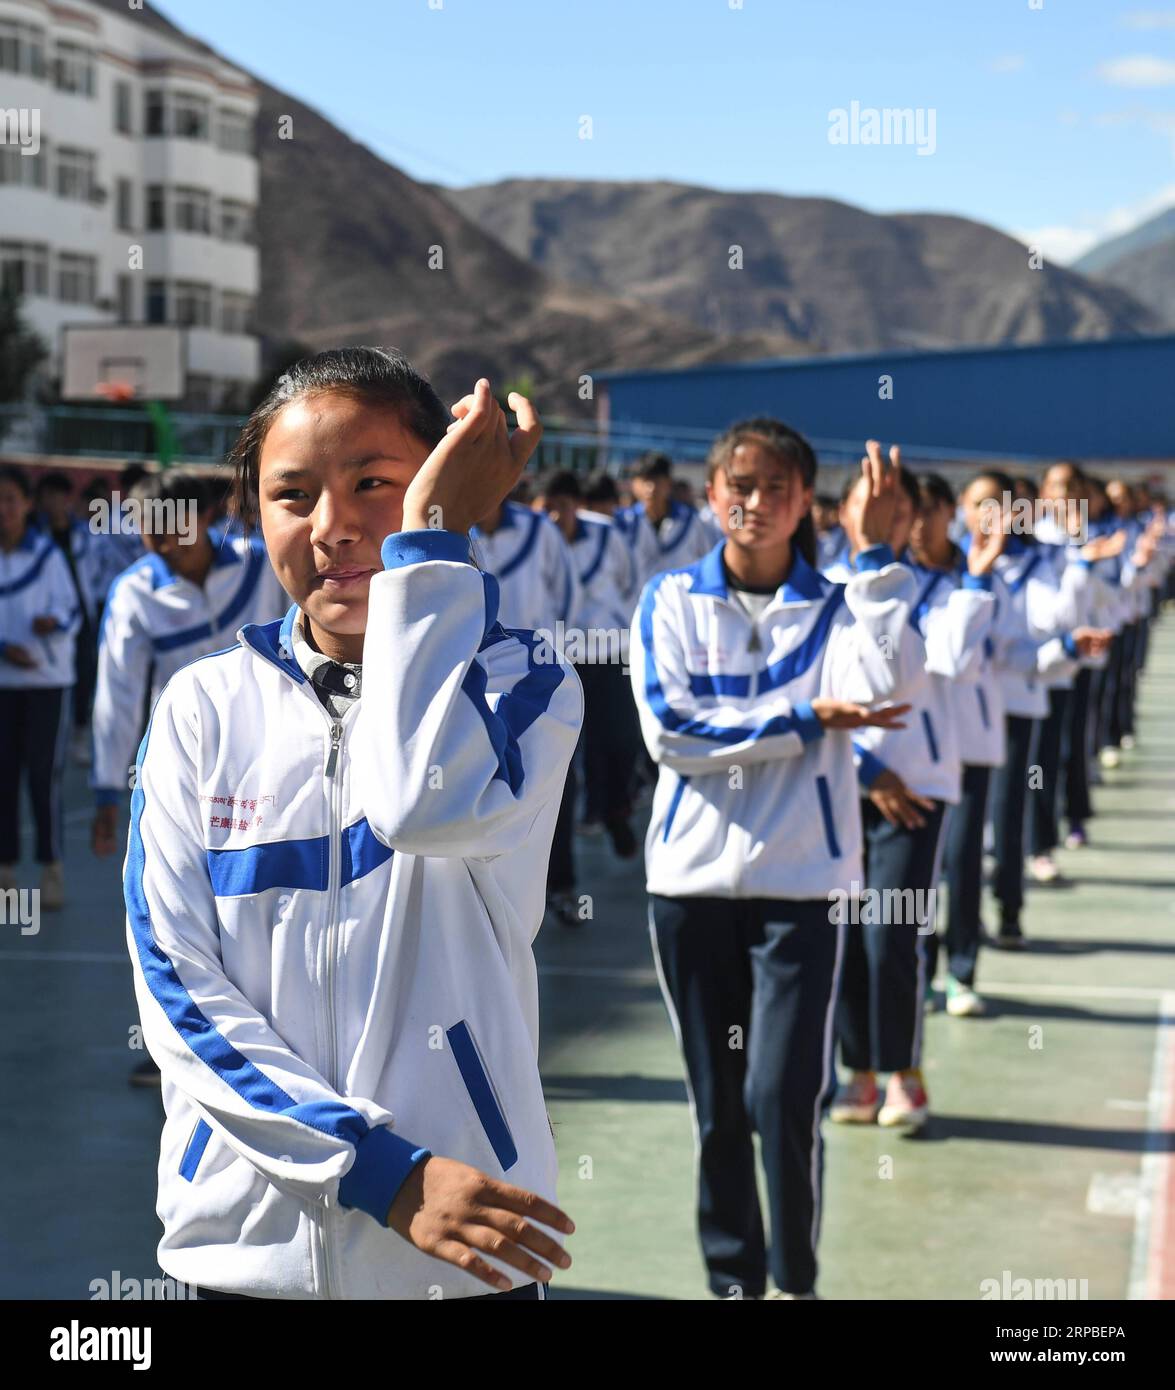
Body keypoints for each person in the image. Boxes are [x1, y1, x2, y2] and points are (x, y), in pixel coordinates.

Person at [124, 349, 580, 1300]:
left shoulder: (523, 684)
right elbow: (176, 987)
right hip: (242, 1258)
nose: (332, 527)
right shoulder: (202, 708)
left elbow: (420, 802)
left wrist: (433, 547)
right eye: (291, 495)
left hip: (459, 1256)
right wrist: (377, 1170)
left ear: (436, 489)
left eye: (375, 483)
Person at [631, 421, 917, 1299]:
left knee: (783, 1099)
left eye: (776, 489)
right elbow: (670, 733)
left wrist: (875, 560)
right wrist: (801, 721)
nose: (755, 504)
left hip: (802, 888)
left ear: (807, 504)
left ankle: (793, 1280)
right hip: (690, 890)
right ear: (714, 495)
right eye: (739, 487)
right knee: (718, 1105)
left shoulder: (841, 604)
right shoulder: (668, 599)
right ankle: (731, 1280)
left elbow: (882, 694)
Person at [827, 469, 995, 1126]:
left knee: (891, 933)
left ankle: (903, 1073)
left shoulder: (934, 590)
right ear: (846, 513)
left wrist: (978, 582)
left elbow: (953, 662)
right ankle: (857, 1072)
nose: (902, 523)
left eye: (908, 512)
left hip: (918, 791)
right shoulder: (816, 588)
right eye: (880, 508)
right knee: (841, 934)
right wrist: (866, 769)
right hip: (839, 785)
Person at [470, 471, 579, 925]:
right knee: (476, 786)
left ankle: (562, 886)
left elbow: (567, 594)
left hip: (536, 680)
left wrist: (559, 657)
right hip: (472, 674)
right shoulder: (451, 529)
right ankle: (483, 902)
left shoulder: (542, 531)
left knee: (554, 785)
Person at [533, 469, 640, 864]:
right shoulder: (535, 539)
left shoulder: (608, 535)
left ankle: (617, 807)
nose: (556, 517)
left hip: (609, 652)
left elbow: (631, 580)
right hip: (560, 658)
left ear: (576, 504)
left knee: (622, 740)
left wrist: (617, 622)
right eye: (547, 508)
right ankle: (569, 852)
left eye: (563, 506)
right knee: (568, 755)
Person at [0, 464, 82, 908]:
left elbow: (73, 614)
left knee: (41, 776)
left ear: (26, 505)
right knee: (4, 776)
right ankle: (5, 869)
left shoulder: (47, 556)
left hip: (47, 682)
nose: (3, 510)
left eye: (11, 499)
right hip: (3, 684)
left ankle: (51, 867)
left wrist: (51, 624)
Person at [34, 470, 103, 767]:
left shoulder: (83, 534)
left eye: (61, 496)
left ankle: (77, 734)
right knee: (49, 677)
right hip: (47, 617)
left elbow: (96, 570)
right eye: (49, 496)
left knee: (85, 675)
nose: (56, 503)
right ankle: (48, 738)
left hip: (83, 615)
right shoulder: (34, 537)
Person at [617, 451, 715, 591]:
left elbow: (708, 562)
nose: (651, 488)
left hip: (682, 604)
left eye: (656, 480)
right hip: (635, 607)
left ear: (669, 483)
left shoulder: (692, 522)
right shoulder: (624, 524)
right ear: (634, 484)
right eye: (645, 480)